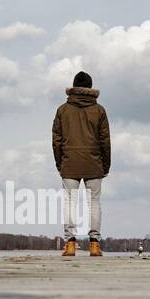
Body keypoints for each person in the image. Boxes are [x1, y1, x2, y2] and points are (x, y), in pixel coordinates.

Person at [52, 70, 111, 256]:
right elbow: (105, 141)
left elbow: (56, 140)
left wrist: (59, 163)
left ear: (73, 87)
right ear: (90, 88)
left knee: (70, 202)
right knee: (94, 203)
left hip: (69, 162)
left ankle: (70, 243)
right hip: (94, 162)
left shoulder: (63, 110)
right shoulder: (99, 110)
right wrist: (106, 165)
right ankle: (94, 244)